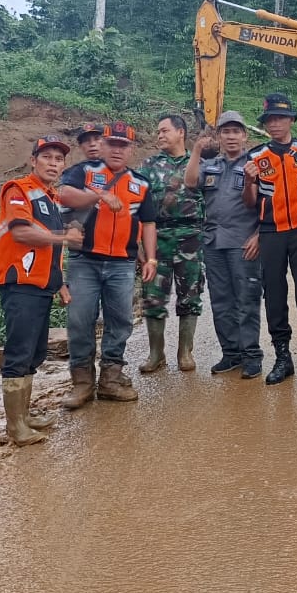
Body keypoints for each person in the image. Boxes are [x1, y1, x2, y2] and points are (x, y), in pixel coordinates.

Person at [57, 122, 158, 408]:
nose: (117, 149)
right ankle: (82, 383)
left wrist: (150, 257)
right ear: (102, 146)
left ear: (131, 149)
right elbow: (63, 194)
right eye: (112, 144)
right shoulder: (84, 172)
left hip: (122, 264)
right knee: (80, 321)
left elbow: (149, 222)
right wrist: (98, 194)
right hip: (84, 261)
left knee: (121, 321)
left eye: (123, 145)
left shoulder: (141, 183)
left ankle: (111, 379)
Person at [0, 135, 82, 446]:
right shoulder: (18, 190)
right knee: (19, 352)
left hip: (42, 285)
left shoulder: (52, 198)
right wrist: (64, 237)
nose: (54, 164)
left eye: (59, 159)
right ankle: (15, 426)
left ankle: (23, 415)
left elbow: (50, 252)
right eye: (47, 157)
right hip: (20, 284)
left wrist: (59, 284)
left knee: (35, 352)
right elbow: (22, 233)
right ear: (34, 160)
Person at [243, 93, 297, 385]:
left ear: (291, 119)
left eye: (280, 118)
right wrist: (248, 180)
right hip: (271, 233)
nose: (275, 124)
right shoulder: (255, 157)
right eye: (270, 120)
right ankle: (283, 359)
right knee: (275, 297)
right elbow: (249, 202)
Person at [184, 110, 265, 379]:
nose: (231, 136)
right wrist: (196, 150)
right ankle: (231, 353)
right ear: (218, 136)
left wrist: (259, 235)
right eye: (225, 131)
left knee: (247, 299)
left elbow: (269, 204)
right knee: (220, 301)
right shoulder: (211, 164)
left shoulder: (257, 163)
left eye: (236, 131)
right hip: (214, 242)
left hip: (244, 243)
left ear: (245, 135)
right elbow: (190, 182)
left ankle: (252, 355)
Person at [139, 113, 205, 373]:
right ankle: (156, 353)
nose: (160, 136)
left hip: (192, 237)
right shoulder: (149, 166)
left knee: (190, 295)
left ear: (181, 132)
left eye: (165, 130)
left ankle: (185, 352)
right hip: (159, 238)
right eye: (158, 132)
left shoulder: (199, 163)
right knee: (153, 296)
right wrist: (140, 244)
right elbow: (138, 206)